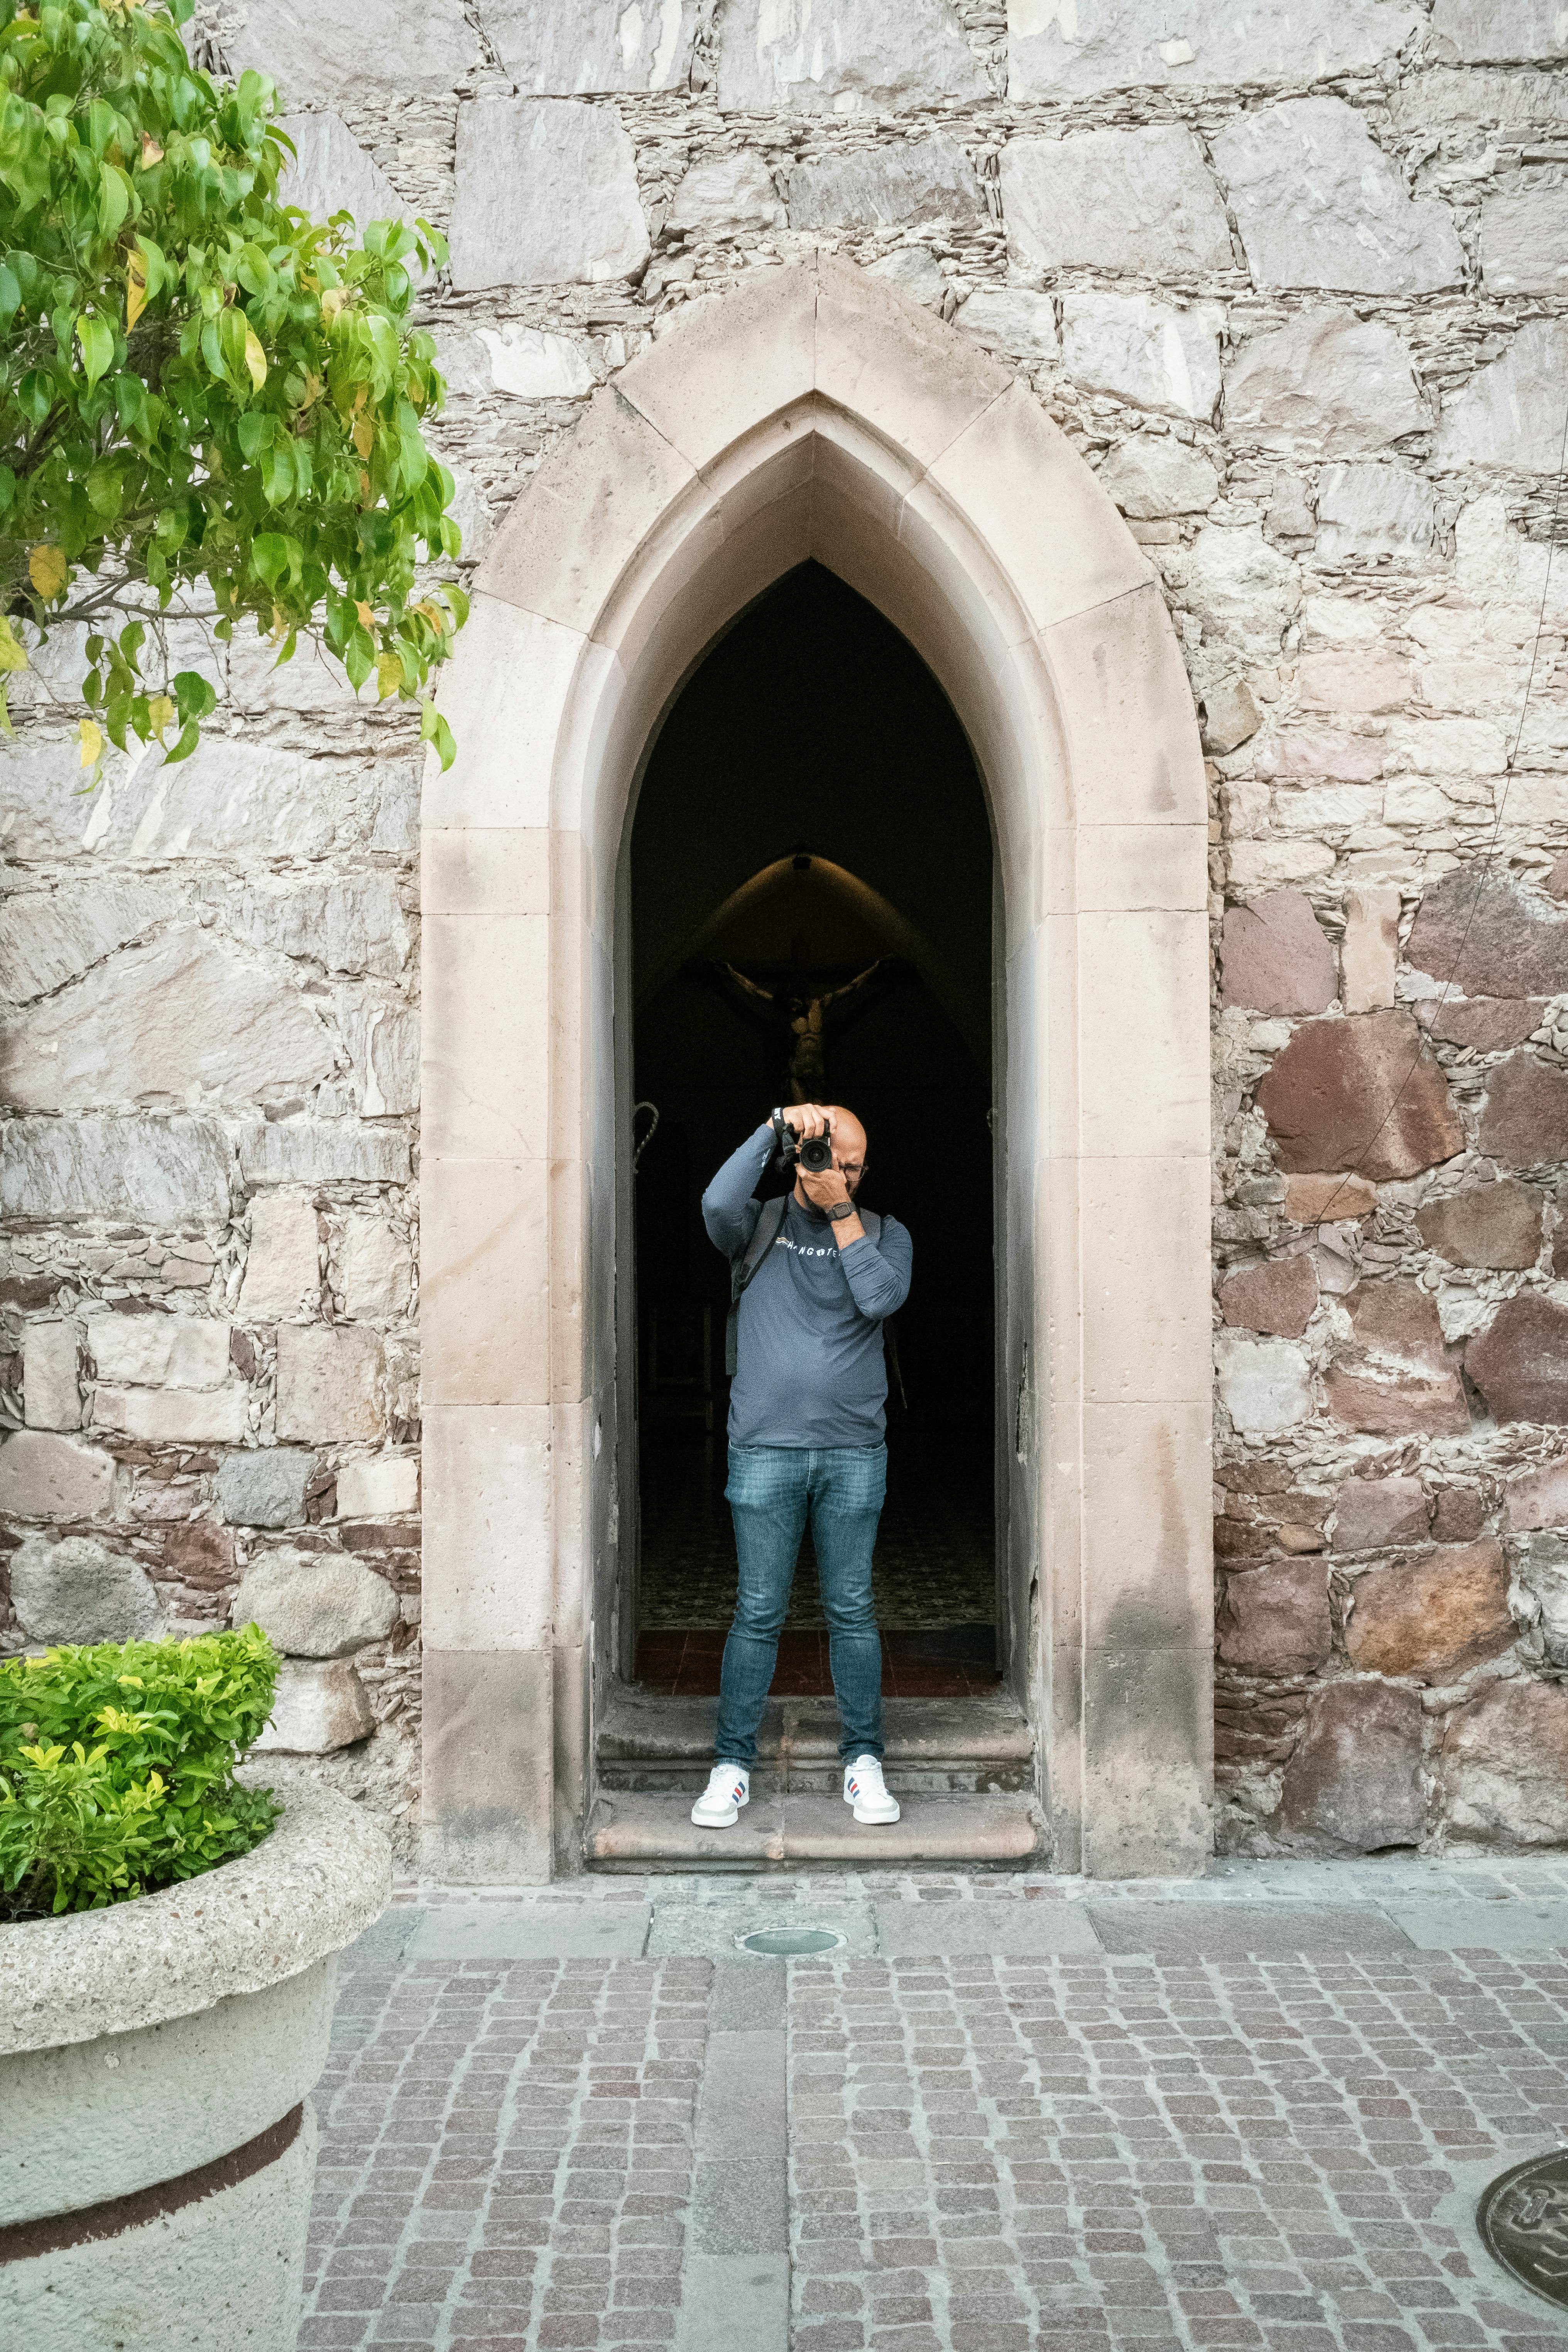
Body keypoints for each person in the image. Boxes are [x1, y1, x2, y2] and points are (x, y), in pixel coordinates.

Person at [689, 1103, 912, 1830]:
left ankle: (863, 1762)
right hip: (763, 1450)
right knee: (757, 1612)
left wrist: (843, 1209)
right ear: (799, 1157)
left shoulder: (886, 1233)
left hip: (854, 1453)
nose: (839, 1174)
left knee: (852, 1610)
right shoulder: (756, 1225)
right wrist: (773, 1125)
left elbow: (881, 1298)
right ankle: (731, 1766)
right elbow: (715, 1201)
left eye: (854, 1166)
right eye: (828, 1159)